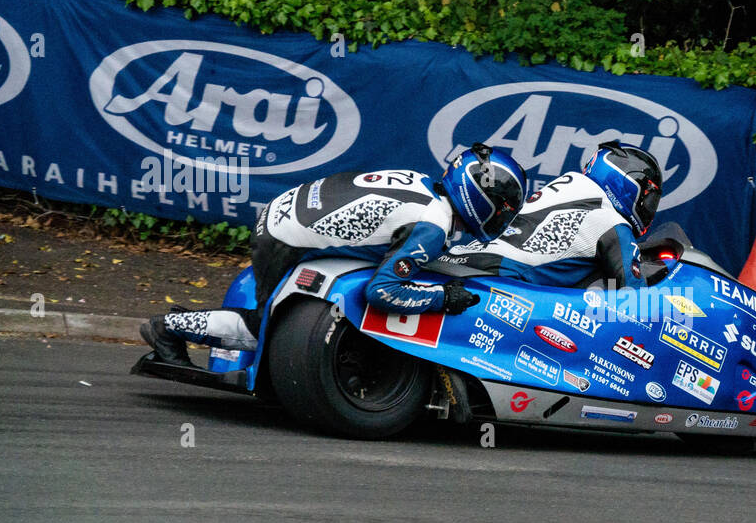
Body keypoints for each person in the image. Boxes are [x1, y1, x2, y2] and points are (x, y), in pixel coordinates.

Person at [140, 143, 526, 366]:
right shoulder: (433, 225)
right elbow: (383, 292)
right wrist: (444, 298)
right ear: (481, 198)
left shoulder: (426, 185)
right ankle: (166, 330)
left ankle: (183, 323)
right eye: (504, 206)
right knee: (264, 330)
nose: (504, 215)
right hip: (283, 237)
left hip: (286, 214)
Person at [437, 141, 663, 289]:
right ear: (627, 185)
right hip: (505, 278)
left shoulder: (567, 188)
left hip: (458, 258)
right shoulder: (611, 221)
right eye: (648, 198)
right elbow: (633, 293)